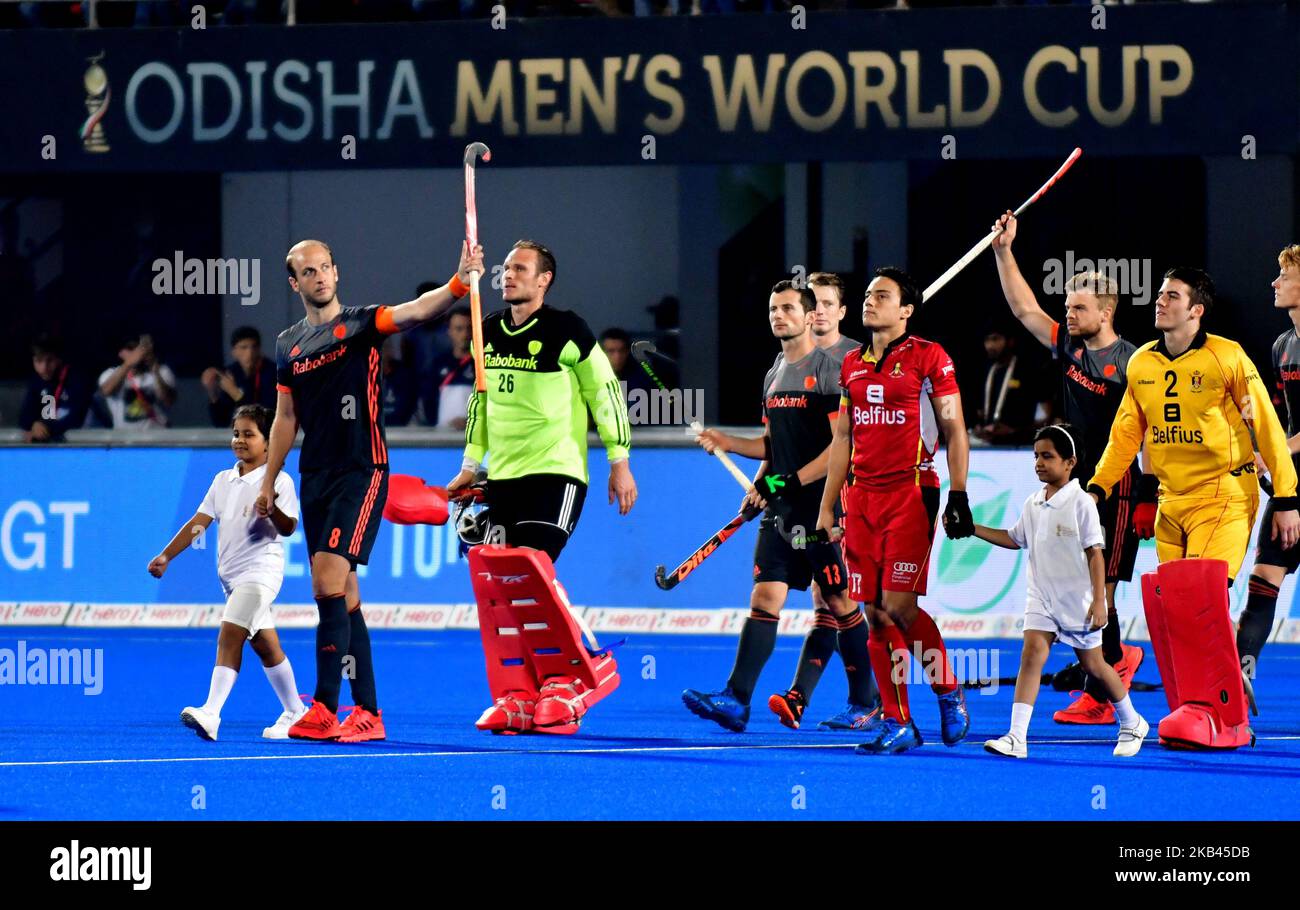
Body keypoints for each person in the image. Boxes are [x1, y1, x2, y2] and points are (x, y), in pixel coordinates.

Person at [258, 237, 484, 743]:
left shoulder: (362, 324)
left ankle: (322, 707)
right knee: (344, 595)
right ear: (295, 283)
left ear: (336, 273)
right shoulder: (287, 345)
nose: (319, 277)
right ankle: (369, 714)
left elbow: (416, 312)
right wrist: (270, 480)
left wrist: (457, 281)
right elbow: (285, 418)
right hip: (314, 473)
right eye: (307, 272)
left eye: (325, 268)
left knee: (326, 584)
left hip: (362, 468)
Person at [1088, 267, 1299, 747]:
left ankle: (1228, 720)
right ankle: (1200, 705)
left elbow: (1266, 427)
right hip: (1171, 500)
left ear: (1196, 310)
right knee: (1177, 610)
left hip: (1224, 494)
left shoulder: (1227, 358)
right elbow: (1126, 435)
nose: (1160, 301)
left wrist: (1286, 498)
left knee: (1202, 600)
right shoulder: (1141, 363)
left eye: (1172, 296)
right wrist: (1100, 488)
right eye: (1160, 294)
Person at [446, 239, 636, 731]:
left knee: (532, 573)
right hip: (502, 476)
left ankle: (576, 674)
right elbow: (480, 404)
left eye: (519, 269)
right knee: (507, 588)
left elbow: (605, 392)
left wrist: (619, 459)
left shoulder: (567, 329)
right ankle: (523, 692)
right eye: (505, 268)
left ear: (543, 279)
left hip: (556, 472)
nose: (508, 276)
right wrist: (471, 463)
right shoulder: (486, 331)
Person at [682, 281, 879, 732]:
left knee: (839, 600)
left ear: (810, 317)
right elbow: (772, 445)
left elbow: (839, 449)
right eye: (773, 308)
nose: (779, 315)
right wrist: (730, 446)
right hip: (781, 504)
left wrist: (784, 481)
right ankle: (736, 699)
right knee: (765, 595)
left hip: (822, 505)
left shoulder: (830, 371)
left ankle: (865, 701)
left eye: (788, 308)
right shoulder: (774, 372)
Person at [991, 210, 1145, 724]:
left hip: (1118, 487)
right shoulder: (1071, 348)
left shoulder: (1133, 363)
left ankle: (1108, 688)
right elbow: (1023, 308)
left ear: (1107, 312)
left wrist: (1147, 495)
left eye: (1080, 307)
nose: (1070, 314)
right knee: (1085, 586)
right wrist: (1003, 250)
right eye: (1068, 306)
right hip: (1076, 486)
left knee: (1102, 588)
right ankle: (1113, 667)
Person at [817, 267, 973, 755]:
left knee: (899, 606)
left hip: (912, 493)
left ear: (906, 309)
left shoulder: (930, 358)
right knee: (874, 613)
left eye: (881, 296)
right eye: (867, 295)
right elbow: (843, 438)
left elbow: (956, 431)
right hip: (860, 499)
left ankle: (948, 690)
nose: (869, 302)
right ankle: (897, 720)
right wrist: (828, 507)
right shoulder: (852, 365)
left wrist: (960, 494)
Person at [976, 425, 1149, 759]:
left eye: (1048, 456)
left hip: (1078, 600)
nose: (1039, 463)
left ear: (1069, 463)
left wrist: (1100, 602)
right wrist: (974, 529)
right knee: (1031, 657)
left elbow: (1095, 555)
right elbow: (1015, 539)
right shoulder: (1033, 502)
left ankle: (1132, 722)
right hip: (1041, 597)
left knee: (1095, 666)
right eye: (1036, 456)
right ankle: (1016, 737)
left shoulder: (1082, 502)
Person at [147, 405, 307, 741]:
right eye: (237, 433)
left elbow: (289, 527)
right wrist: (166, 556)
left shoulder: (279, 480)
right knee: (265, 647)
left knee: (229, 635)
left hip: (260, 573)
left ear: (268, 442)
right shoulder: (223, 480)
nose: (240, 440)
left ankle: (211, 712)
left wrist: (272, 509)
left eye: (249, 434)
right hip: (231, 581)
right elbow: (198, 524)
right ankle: (296, 711)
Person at [1235, 244, 1300, 704]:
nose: (1274, 283)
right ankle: (1239, 678)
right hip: (1293, 486)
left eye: (1284, 275)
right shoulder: (1282, 346)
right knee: (1264, 578)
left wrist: (1275, 452)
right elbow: (1283, 422)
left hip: (1288, 472)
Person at [970, 327, 1042, 446]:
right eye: (987, 340)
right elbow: (979, 411)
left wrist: (1014, 431)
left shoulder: (1028, 371)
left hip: (1021, 445)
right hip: (986, 444)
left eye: (995, 339)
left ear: (1010, 341)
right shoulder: (983, 371)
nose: (990, 345)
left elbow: (1043, 418)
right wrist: (978, 427)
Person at [19, 334, 96, 443]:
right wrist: (34, 425)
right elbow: (24, 417)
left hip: (82, 444)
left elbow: (78, 417)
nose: (44, 367)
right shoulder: (36, 382)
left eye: (49, 361)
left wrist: (47, 427)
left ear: (59, 359)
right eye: (38, 361)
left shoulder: (77, 380)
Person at [97, 333, 177, 431]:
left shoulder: (162, 371)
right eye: (132, 349)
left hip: (157, 437)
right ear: (121, 353)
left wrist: (154, 369)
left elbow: (168, 401)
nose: (138, 353)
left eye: (141, 349)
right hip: (124, 440)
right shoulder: (110, 373)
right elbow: (106, 391)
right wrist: (128, 364)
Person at [202, 326, 278, 428]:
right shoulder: (232, 373)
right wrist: (213, 394)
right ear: (234, 352)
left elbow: (266, 418)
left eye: (254, 347)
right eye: (244, 347)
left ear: (259, 349)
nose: (250, 353)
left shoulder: (273, 373)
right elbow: (220, 423)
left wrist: (235, 393)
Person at [423, 308, 475, 428]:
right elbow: (428, 402)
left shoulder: (486, 364)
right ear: (449, 331)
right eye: (459, 329)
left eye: (469, 328)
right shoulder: (437, 364)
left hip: (477, 436)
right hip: (443, 439)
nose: (465, 334)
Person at [808, 271, 859, 359]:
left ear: (841, 312)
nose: (819, 311)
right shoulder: (788, 356)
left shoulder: (859, 355)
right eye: (813, 303)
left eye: (828, 304)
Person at [600, 327, 657, 404]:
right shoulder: (591, 376)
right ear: (601, 353)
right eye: (611, 351)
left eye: (621, 351)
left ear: (627, 352)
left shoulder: (642, 378)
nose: (617, 356)